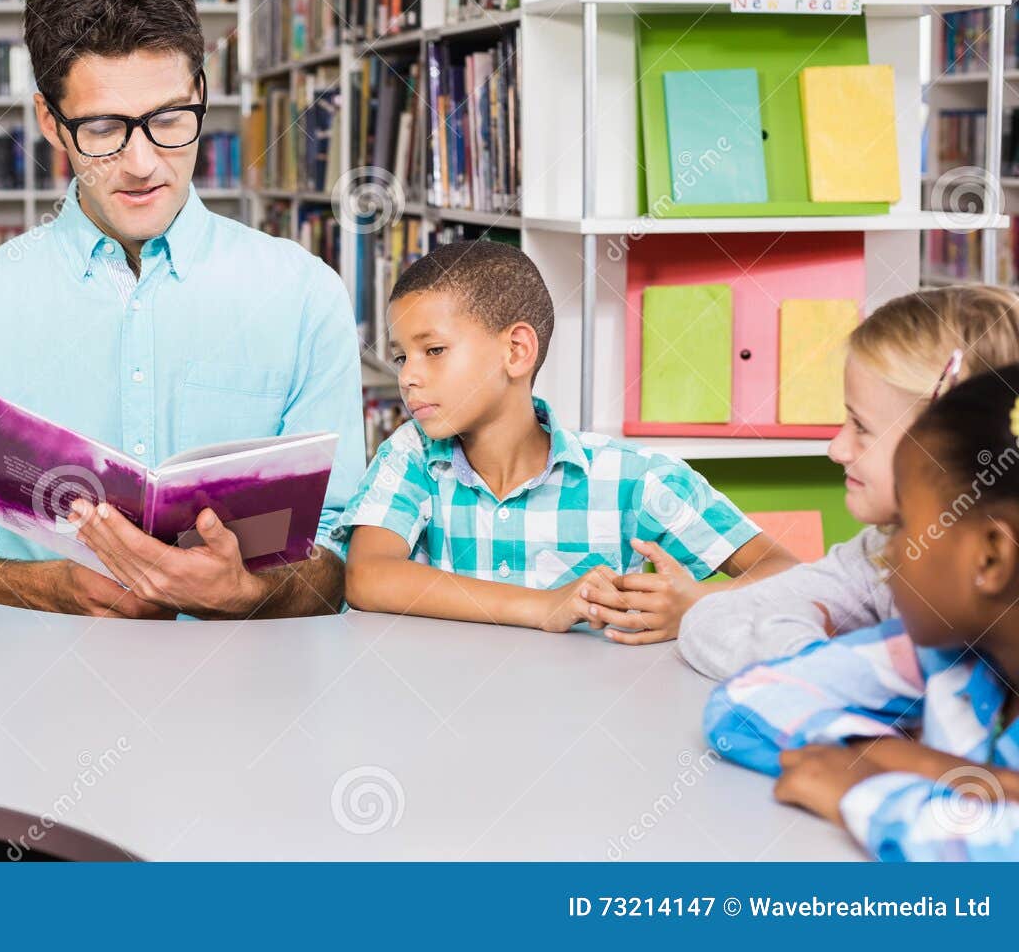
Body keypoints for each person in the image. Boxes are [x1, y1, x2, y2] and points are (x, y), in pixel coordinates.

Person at [0, 0, 364, 622]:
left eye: (170, 119)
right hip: (39, 698)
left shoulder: (305, 295)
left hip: (258, 699)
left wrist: (251, 591)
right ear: (49, 120)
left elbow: (340, 556)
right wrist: (44, 587)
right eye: (105, 128)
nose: (143, 163)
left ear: (201, 94)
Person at [338, 241, 794, 637]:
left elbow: (785, 572)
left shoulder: (635, 479)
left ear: (516, 351)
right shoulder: (410, 455)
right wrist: (542, 606)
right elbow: (367, 577)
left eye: (433, 351)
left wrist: (695, 605)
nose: (409, 376)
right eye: (401, 357)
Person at [704, 365, 1019, 861]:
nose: (886, 555)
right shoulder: (943, 655)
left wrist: (859, 791)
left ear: (990, 556)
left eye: (904, 526)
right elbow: (744, 702)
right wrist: (909, 760)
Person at [679, 285, 1019, 679]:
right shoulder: (879, 549)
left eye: (860, 426)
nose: (836, 449)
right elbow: (708, 621)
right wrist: (816, 664)